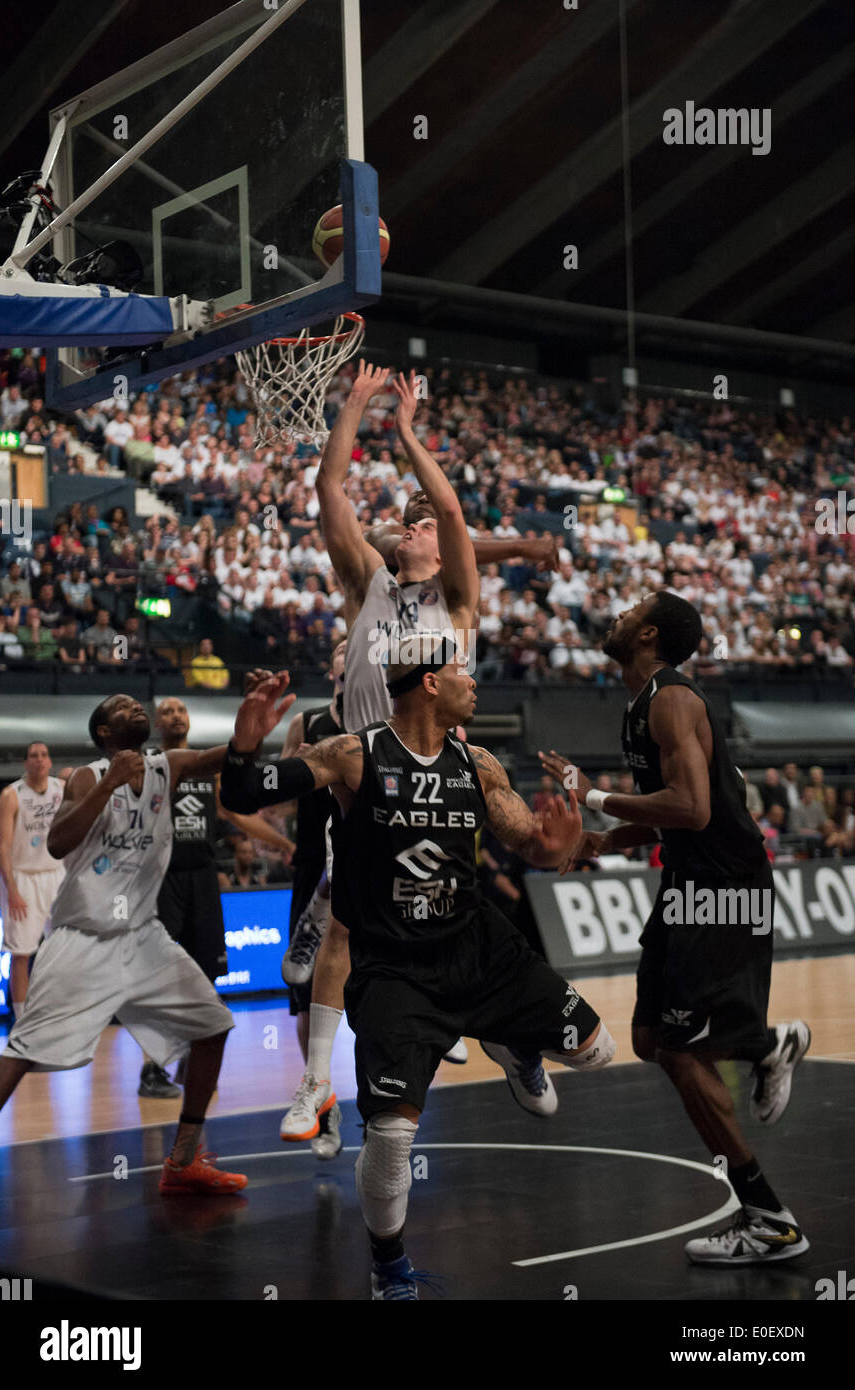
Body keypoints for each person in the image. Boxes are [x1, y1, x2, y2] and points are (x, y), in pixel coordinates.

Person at [221, 646, 614, 1298]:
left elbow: (525, 840)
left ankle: (513, 1040)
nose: (474, 683)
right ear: (430, 683)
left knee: (598, 1051)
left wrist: (553, 846)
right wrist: (244, 744)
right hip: (394, 970)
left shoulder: (478, 763)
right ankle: (389, 1268)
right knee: (392, 1139)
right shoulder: (352, 754)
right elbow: (242, 792)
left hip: (480, 949)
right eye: (464, 671)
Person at [283, 363, 552, 1151]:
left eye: (420, 522)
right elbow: (330, 490)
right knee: (346, 930)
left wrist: (404, 430)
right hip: (364, 771)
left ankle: (511, 1039)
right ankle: (314, 1084)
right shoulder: (368, 581)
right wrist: (355, 406)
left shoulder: (458, 599)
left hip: (438, 775)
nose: (410, 524)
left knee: (451, 925)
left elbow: (452, 507)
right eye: (403, 519)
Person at [540, 591, 811, 1266]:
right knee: (651, 1041)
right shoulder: (644, 704)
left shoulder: (672, 699)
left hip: (722, 889)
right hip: (690, 884)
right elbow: (689, 808)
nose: (617, 614)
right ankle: (763, 1044)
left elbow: (689, 808)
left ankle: (770, 1219)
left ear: (649, 633)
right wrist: (605, 838)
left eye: (629, 610)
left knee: (685, 1052)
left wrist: (591, 796)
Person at [0, 692, 284, 1192]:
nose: (138, 709)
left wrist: (248, 736)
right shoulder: (86, 775)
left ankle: (183, 1162)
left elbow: (223, 757)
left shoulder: (166, 766)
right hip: (83, 939)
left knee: (213, 1025)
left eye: (136, 705)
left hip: (143, 936)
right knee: (20, 1054)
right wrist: (109, 783)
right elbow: (58, 843)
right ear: (105, 732)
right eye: (123, 707)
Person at [139, 694, 295, 1099]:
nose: (176, 716)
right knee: (156, 975)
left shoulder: (209, 771)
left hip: (202, 878)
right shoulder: (153, 766)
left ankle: (192, 1058)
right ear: (158, 725)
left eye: (181, 709)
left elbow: (237, 816)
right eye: (168, 712)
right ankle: (151, 1068)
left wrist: (284, 844)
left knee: (207, 975)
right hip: (163, 879)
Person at [278, 637, 346, 1158]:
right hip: (311, 860)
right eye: (342, 664)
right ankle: (323, 1102)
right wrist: (293, 769)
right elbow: (276, 788)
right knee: (304, 992)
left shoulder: (386, 721)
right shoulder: (309, 722)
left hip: (361, 861)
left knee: (366, 983)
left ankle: (380, 1099)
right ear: (333, 672)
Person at [0, 744, 65, 1019]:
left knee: (64, 950)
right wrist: (11, 888)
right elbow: (1, 846)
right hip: (23, 878)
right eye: (33, 755)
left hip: (57, 874)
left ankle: (60, 1013)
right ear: (25, 762)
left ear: (50, 761)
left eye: (44, 754)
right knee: (21, 954)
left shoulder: (61, 788)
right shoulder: (12, 795)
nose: (39, 760)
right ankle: (22, 1019)